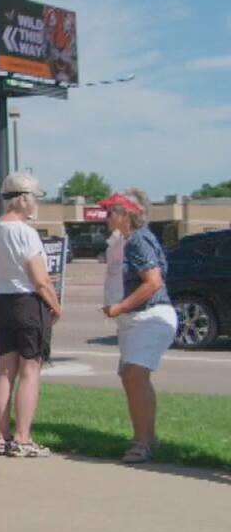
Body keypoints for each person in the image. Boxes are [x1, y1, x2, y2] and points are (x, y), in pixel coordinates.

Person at [0, 174, 62, 458]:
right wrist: (55, 304)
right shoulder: (26, 233)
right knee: (30, 370)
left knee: (6, 370)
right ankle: (22, 437)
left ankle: (4, 436)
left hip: (2, 301)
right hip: (28, 302)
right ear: (24, 198)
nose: (36, 203)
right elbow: (40, 279)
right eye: (35, 198)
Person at [101, 190, 176, 464]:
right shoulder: (129, 240)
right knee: (133, 377)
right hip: (138, 319)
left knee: (134, 375)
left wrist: (120, 307)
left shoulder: (138, 241)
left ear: (128, 214)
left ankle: (142, 443)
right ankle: (147, 436)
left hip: (150, 317)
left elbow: (153, 282)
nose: (107, 216)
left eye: (112, 211)